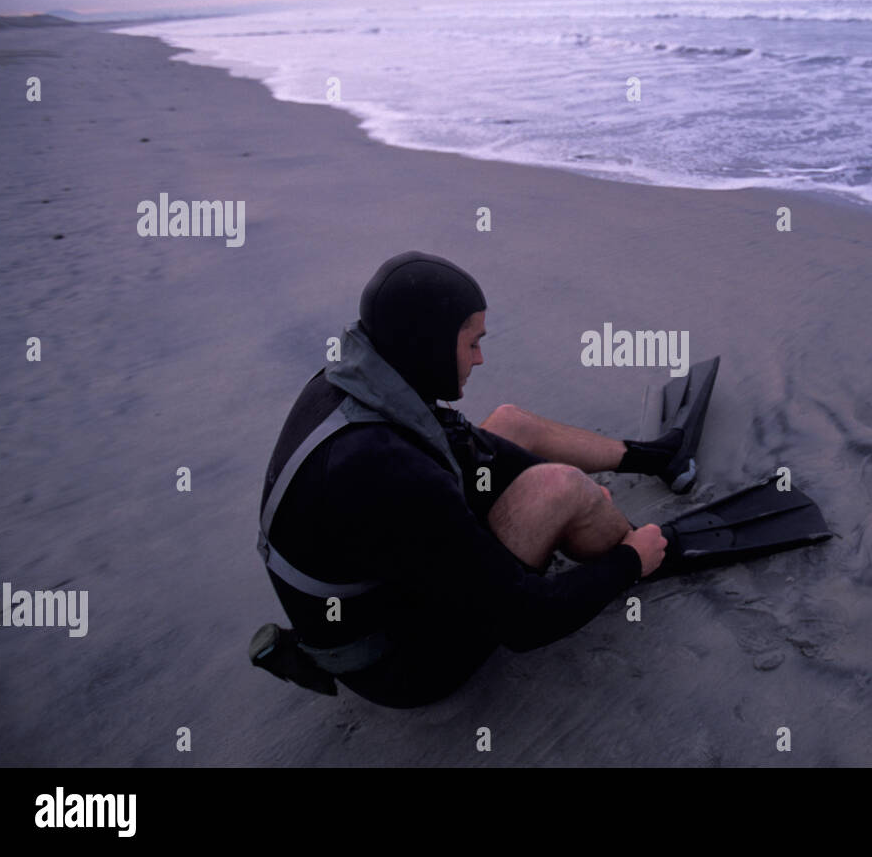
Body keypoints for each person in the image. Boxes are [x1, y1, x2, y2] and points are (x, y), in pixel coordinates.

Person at [254, 251, 687, 707]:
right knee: (562, 487)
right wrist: (626, 562)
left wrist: (530, 479)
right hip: (398, 662)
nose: (480, 358)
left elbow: (472, 445)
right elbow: (525, 622)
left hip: (383, 576)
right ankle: (647, 549)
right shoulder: (386, 470)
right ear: (429, 346)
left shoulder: (352, 381)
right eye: (472, 343)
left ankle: (652, 458)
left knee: (510, 423)